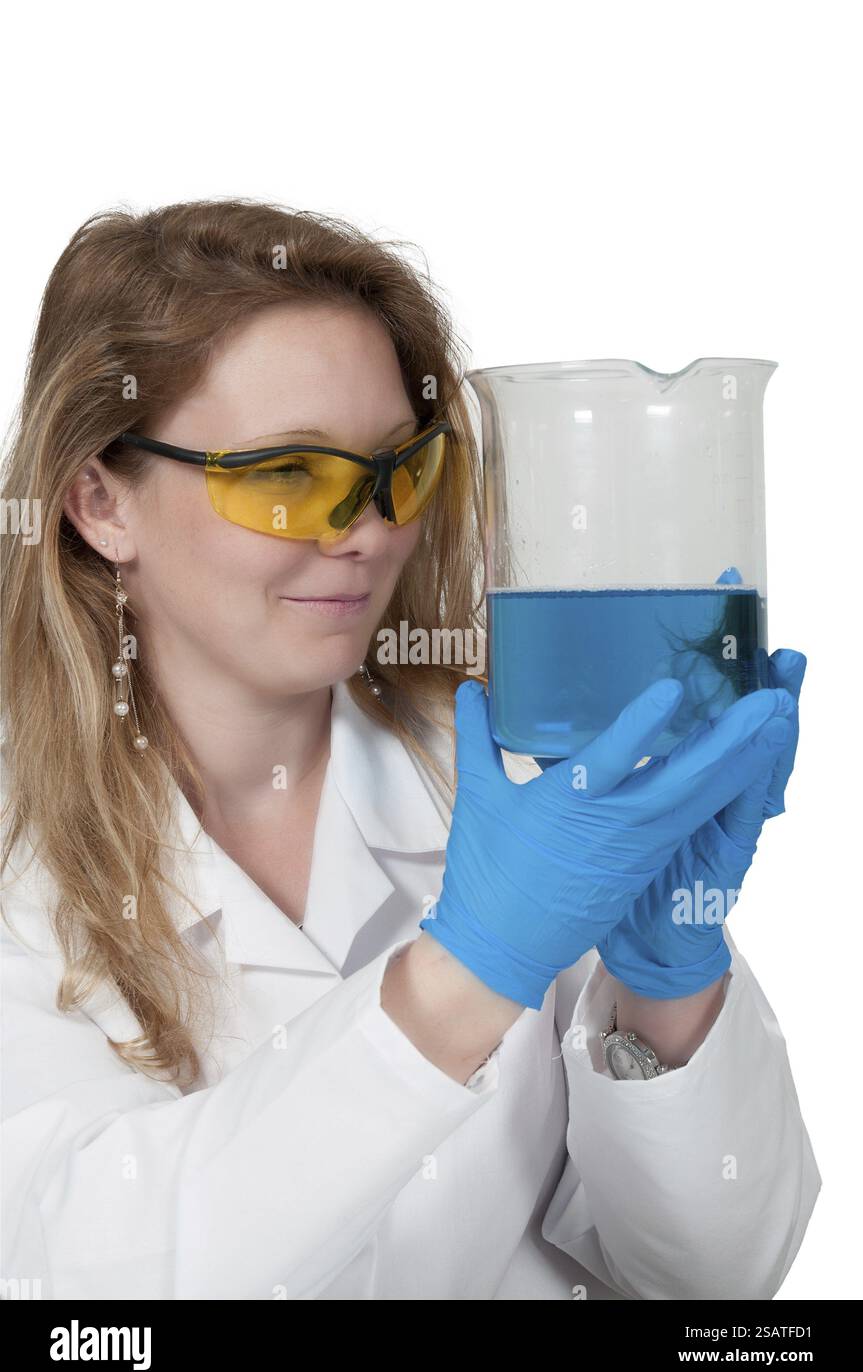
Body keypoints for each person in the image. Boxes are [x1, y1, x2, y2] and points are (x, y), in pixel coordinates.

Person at [0, 199, 820, 1301]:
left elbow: (718, 1283)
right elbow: (77, 1287)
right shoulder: (20, 850)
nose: (368, 529)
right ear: (100, 500)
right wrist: (463, 974)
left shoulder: (518, 775)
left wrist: (665, 979)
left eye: (398, 468)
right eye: (288, 477)